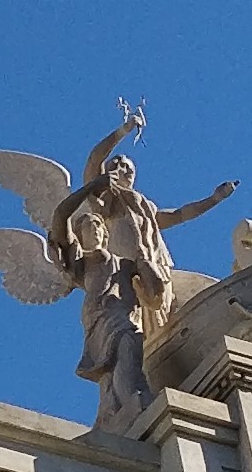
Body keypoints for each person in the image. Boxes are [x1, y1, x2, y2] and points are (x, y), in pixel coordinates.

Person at [56, 103, 237, 423]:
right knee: (133, 333)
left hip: (151, 269)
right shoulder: (105, 202)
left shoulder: (142, 206)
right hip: (124, 278)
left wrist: (215, 198)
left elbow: (180, 214)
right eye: (118, 163)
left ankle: (154, 377)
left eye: (127, 164)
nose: (123, 166)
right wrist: (123, 132)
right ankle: (128, 393)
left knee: (159, 324)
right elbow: (92, 161)